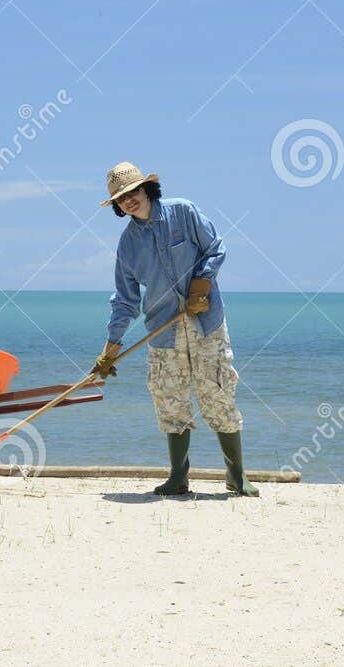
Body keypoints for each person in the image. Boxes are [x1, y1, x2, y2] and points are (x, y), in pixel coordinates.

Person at [93, 161, 258, 497]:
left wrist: (200, 286)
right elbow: (125, 300)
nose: (129, 200)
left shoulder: (183, 211)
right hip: (163, 333)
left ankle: (236, 476)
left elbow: (215, 248)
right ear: (117, 207)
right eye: (121, 198)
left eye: (132, 192)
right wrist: (111, 348)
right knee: (170, 401)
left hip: (206, 323)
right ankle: (178, 478)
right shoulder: (127, 246)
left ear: (146, 189)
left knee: (218, 393)